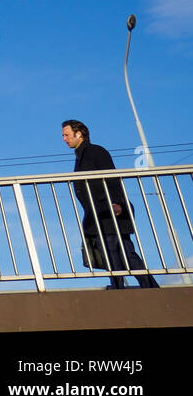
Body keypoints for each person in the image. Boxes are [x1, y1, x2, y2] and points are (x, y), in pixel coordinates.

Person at [62, 119, 158, 288]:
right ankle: (131, 286)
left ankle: (138, 287)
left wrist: (117, 203)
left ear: (79, 134)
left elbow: (112, 178)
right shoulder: (81, 156)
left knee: (120, 252)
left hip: (110, 210)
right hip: (99, 213)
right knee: (113, 252)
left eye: (67, 135)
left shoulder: (95, 152)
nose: (64, 138)